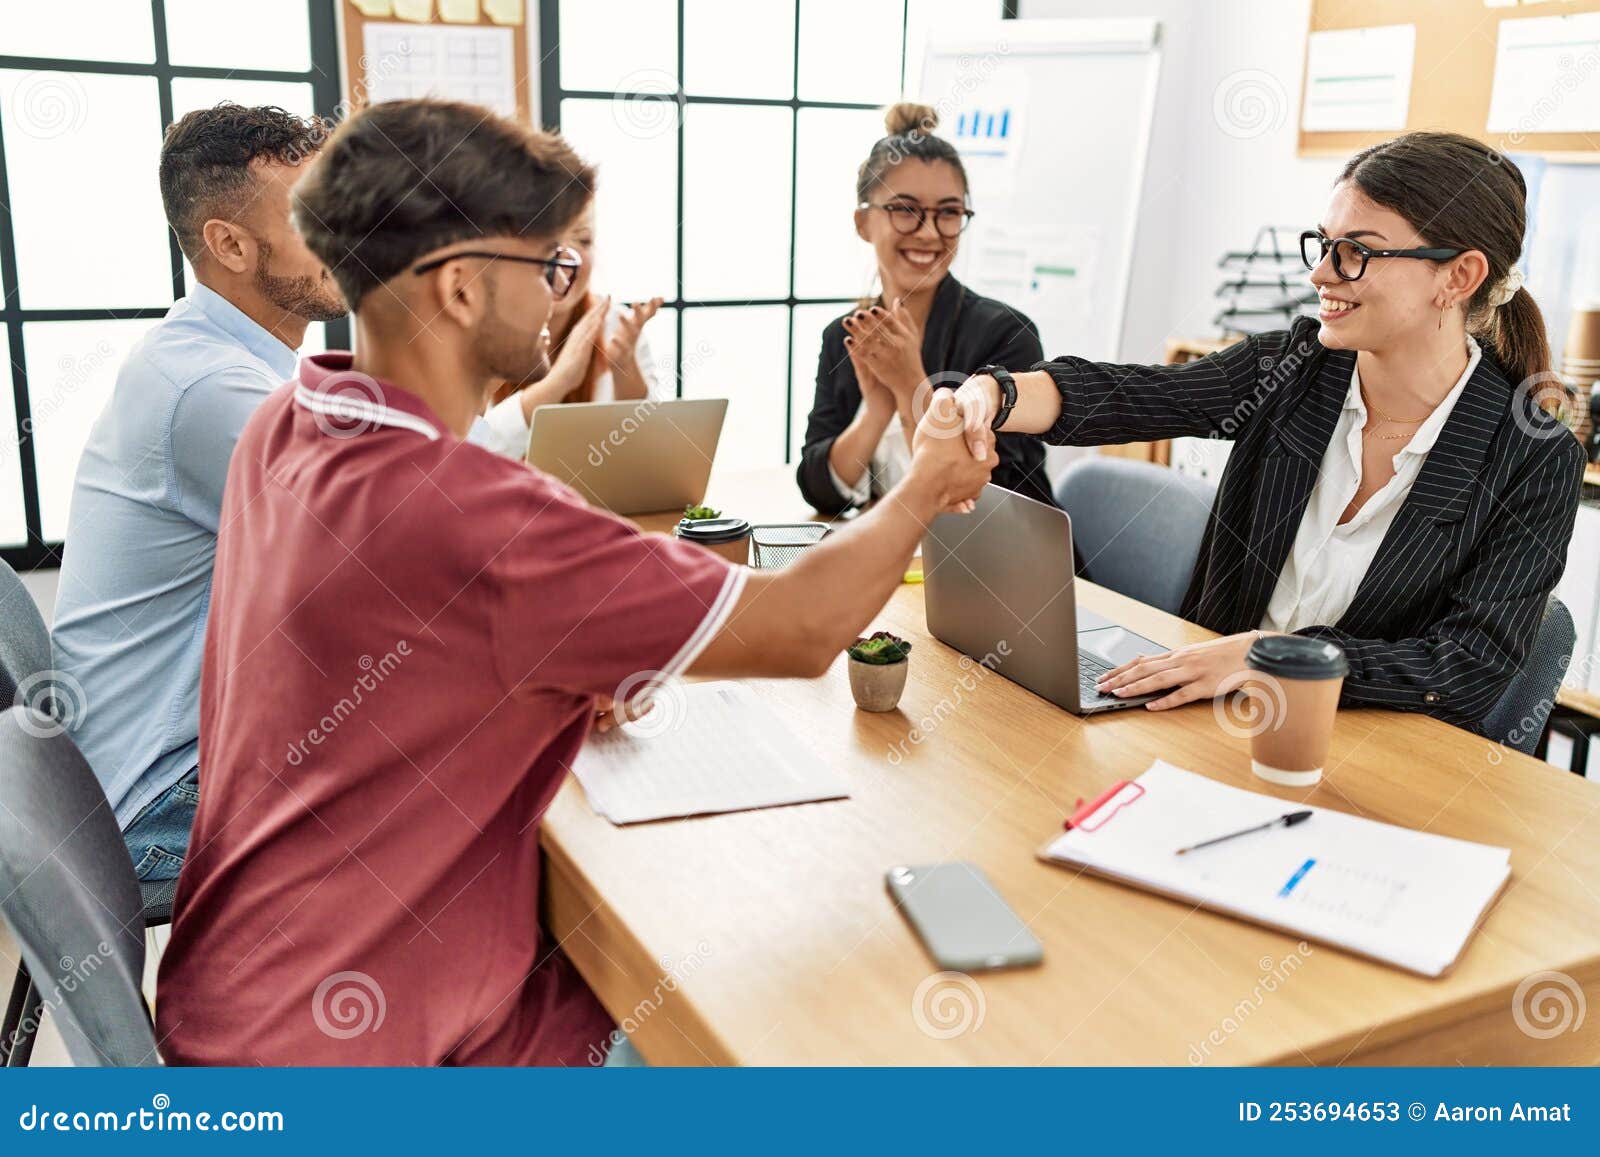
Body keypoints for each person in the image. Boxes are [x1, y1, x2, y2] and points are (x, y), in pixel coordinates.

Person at [155, 98, 994, 1067]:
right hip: (364, 1052)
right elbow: (803, 628)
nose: (562, 292)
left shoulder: (294, 418)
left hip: (236, 992)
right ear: (463, 288)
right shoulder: (474, 511)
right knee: (801, 1024)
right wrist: (926, 484)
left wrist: (515, 684)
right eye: (551, 264)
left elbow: (373, 644)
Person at [947, 131, 1586, 733]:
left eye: (1357, 252)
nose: (1321, 275)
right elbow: (1140, 393)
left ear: (1459, 276)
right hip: (1202, 722)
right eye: (1324, 243)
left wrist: (1270, 656)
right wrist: (994, 394)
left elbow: (1466, 669)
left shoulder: (1531, 455)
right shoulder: (1292, 368)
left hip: (1363, 755)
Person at [49, 104, 347, 896]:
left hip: (159, 759)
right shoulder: (212, 388)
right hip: (153, 803)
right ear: (228, 244)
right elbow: (387, 554)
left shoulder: (220, 357)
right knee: (469, 817)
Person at [796, 102, 1052, 515]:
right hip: (897, 562)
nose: (930, 232)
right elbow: (818, 488)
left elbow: (987, 494)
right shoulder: (844, 334)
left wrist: (909, 386)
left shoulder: (1006, 334)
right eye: (906, 210)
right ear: (863, 223)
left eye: (949, 213)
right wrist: (876, 413)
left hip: (1003, 565)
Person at [473, 199, 664, 458]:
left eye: (584, 241)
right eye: (552, 242)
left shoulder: (619, 326)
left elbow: (649, 454)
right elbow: (466, 453)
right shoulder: (479, 326)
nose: (565, 263)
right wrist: (558, 383)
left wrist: (626, 370)